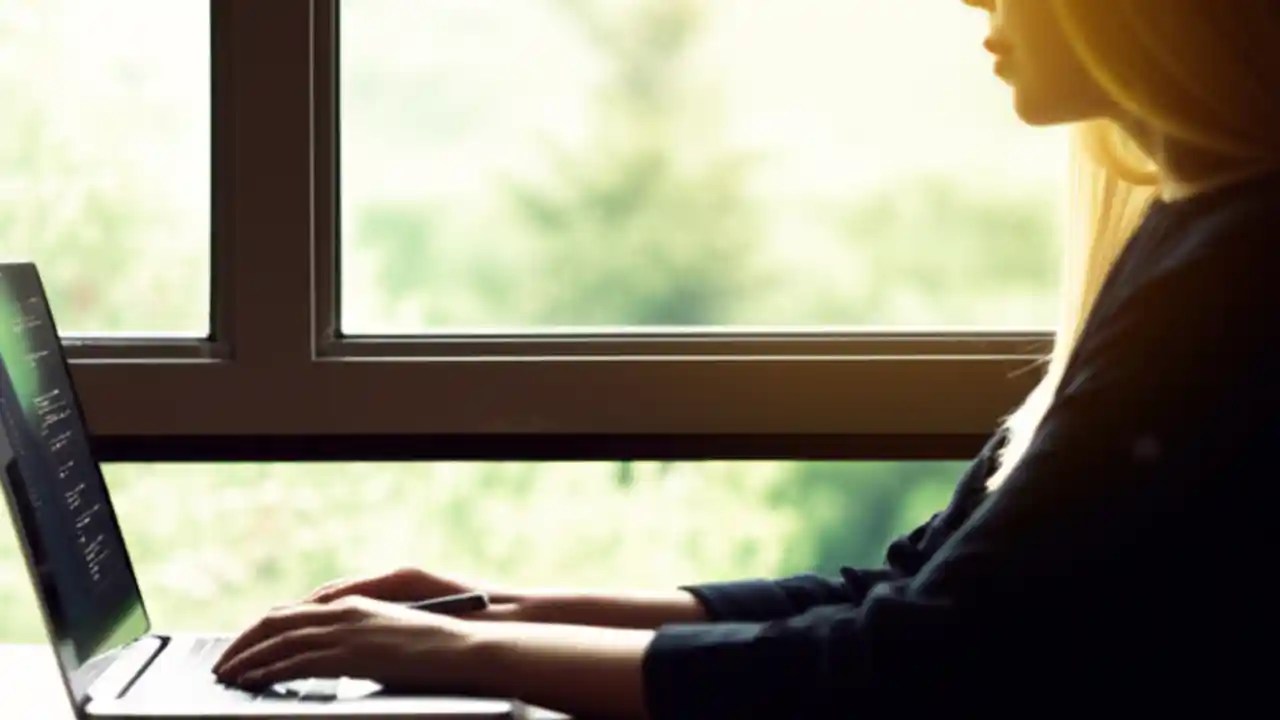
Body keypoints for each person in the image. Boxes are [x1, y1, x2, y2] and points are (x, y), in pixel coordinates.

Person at [214, 1, 1280, 717]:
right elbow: (907, 586)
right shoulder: (1185, 237)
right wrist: (507, 610)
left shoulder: (1232, 276)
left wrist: (451, 656)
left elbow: (909, 662)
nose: (974, 4)